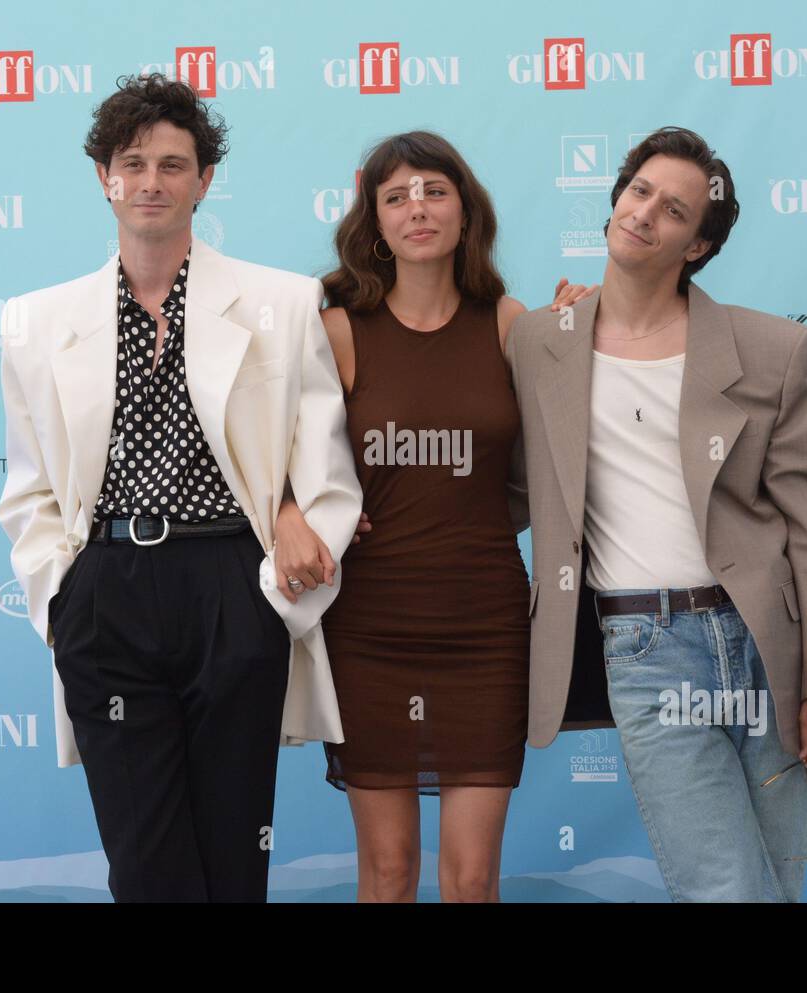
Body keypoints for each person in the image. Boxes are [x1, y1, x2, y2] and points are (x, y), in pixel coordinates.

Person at [0, 72, 362, 902]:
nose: (151, 181)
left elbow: (326, 470)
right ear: (104, 179)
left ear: (204, 179)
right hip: (107, 592)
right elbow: (29, 491)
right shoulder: (38, 322)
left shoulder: (281, 302)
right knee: (146, 858)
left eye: (172, 163)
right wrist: (63, 599)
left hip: (232, 584)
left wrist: (282, 572)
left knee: (235, 856)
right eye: (133, 163)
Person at [510, 126, 807, 902]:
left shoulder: (776, 349)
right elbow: (506, 485)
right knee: (724, 889)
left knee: (775, 888)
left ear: (697, 245)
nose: (645, 214)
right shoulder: (539, 338)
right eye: (639, 192)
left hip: (768, 645)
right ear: (614, 202)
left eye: (674, 210)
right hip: (646, 649)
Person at [272, 131, 561, 903]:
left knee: (471, 880)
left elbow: (558, 458)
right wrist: (291, 513)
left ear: (466, 212)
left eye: (434, 190)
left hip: (485, 626)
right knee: (389, 872)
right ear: (375, 221)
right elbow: (271, 461)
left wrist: (576, 328)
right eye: (395, 196)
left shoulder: (509, 323)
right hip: (369, 624)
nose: (417, 208)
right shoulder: (337, 331)